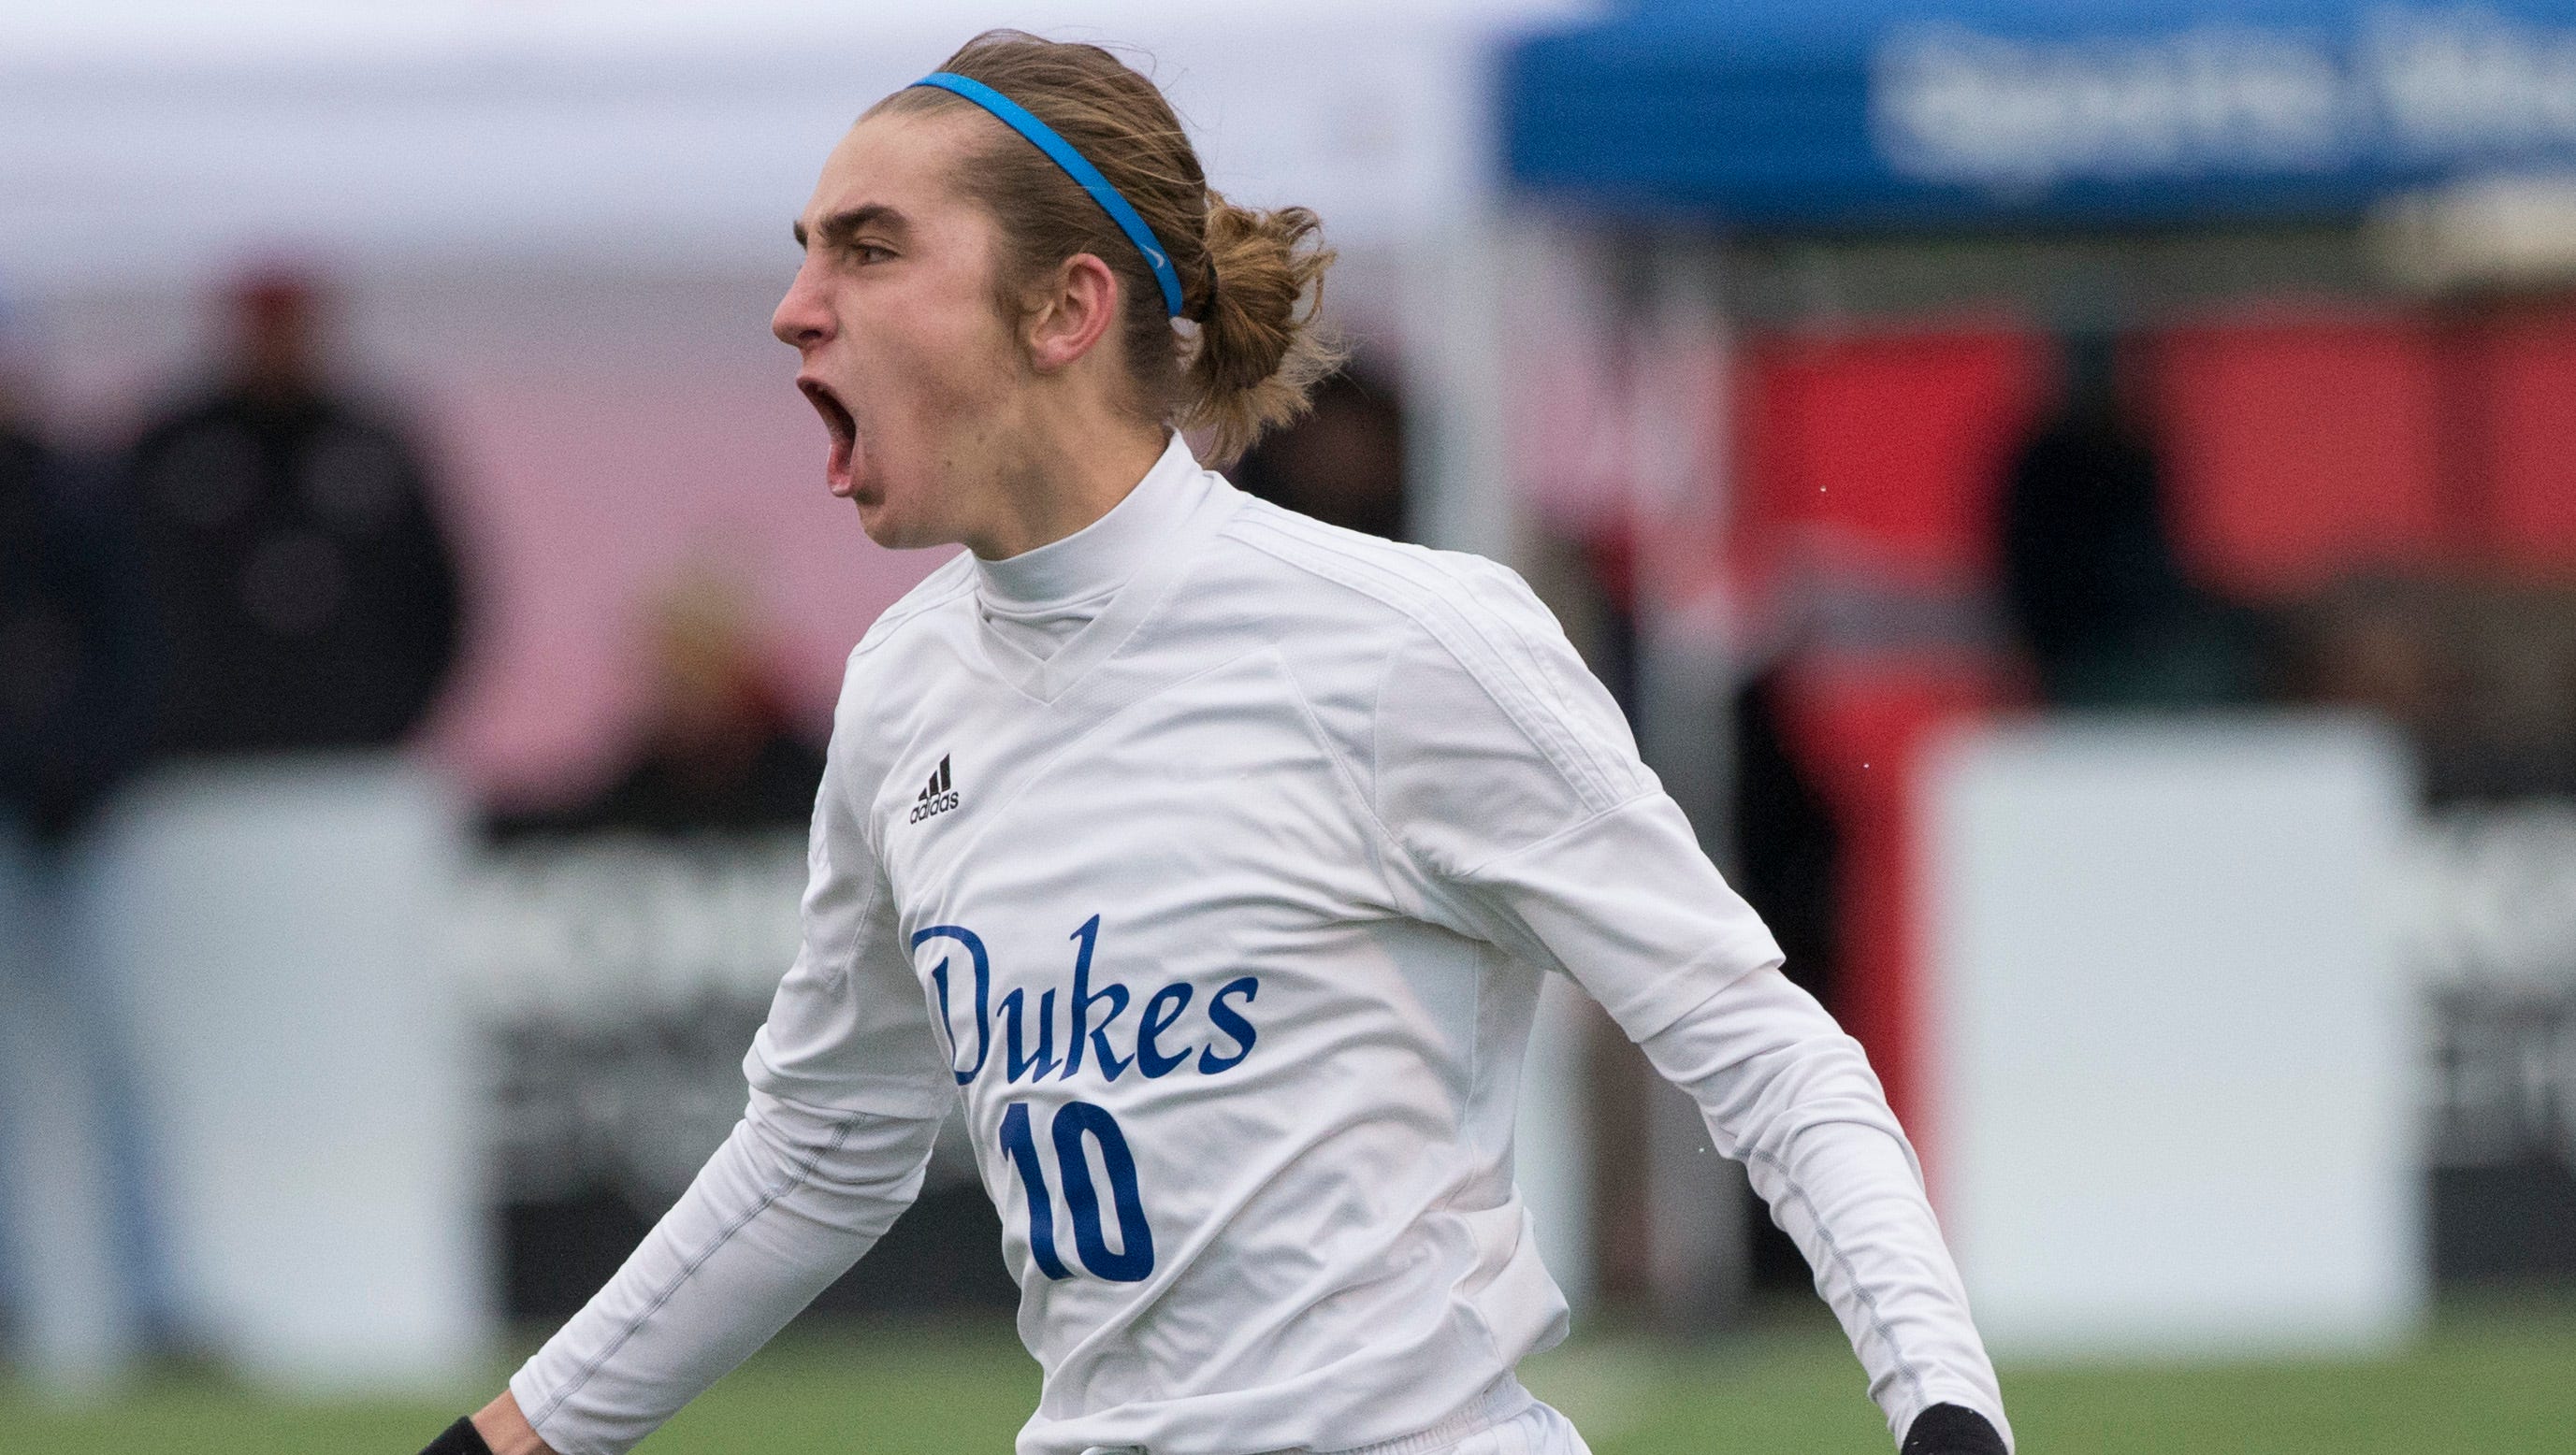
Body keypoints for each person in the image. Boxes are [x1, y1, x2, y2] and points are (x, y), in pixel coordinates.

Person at [422, 32, 2011, 1455]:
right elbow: (827, 1143)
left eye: (868, 249)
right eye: (805, 254)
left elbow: (1757, 1050)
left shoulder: (1408, 643)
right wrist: (509, 1440)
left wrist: (1939, 1403)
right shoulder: (900, 692)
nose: (794, 309)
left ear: (1064, 307)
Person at [123, 267, 463, 758]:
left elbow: (436, 597)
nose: (276, 341)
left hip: (352, 743)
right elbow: (115, 585)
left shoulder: (371, 443)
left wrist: (397, 713)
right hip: (194, 752)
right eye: (263, 321)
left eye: (289, 321)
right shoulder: (172, 446)